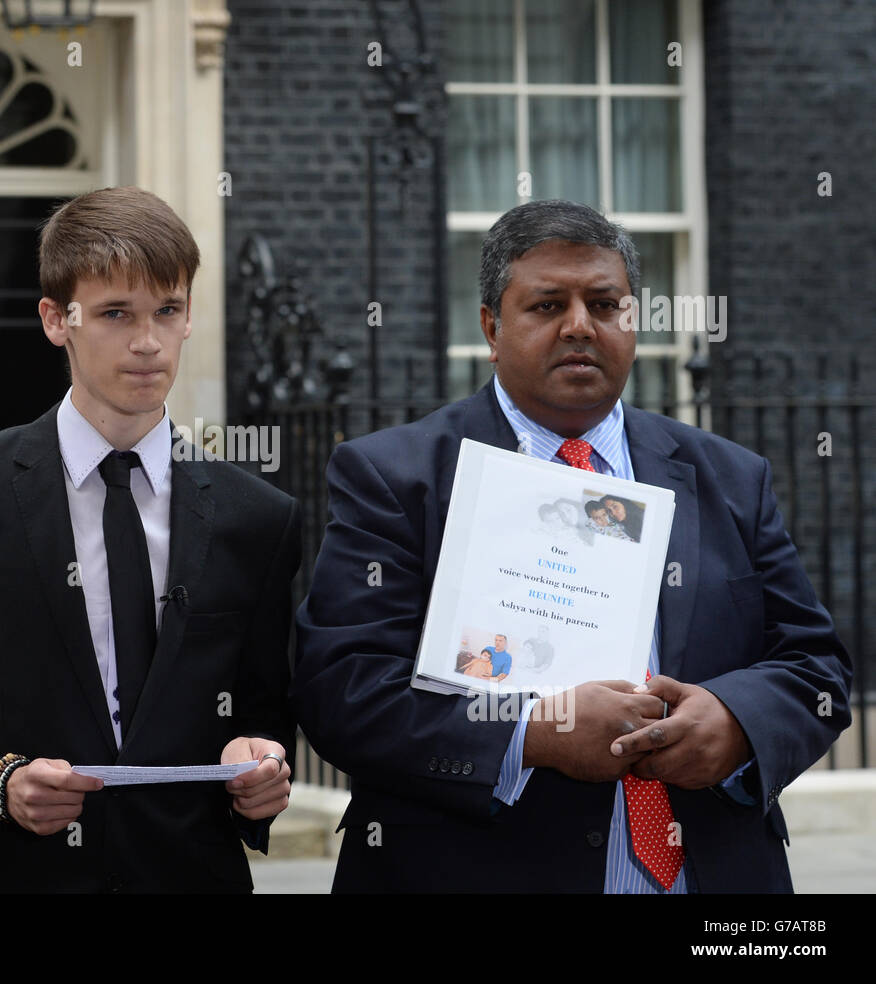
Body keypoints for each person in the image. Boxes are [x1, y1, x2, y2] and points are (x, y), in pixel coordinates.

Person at [292, 199, 852, 893]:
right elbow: (342, 691)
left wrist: (739, 721)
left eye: (605, 303)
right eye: (548, 304)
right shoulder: (395, 477)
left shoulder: (731, 475)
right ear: (491, 328)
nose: (580, 325)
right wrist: (534, 734)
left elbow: (816, 665)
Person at [0, 186, 301, 893]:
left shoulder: (257, 517)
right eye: (116, 313)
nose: (147, 342)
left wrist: (258, 760)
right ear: (57, 319)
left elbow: (262, 711)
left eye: (167, 311)